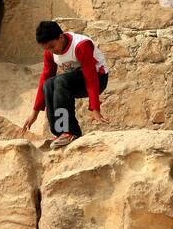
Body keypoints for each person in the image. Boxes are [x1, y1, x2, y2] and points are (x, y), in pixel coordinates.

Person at [22, 21, 109, 149]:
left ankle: (70, 131)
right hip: (75, 80)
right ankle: (60, 132)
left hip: (98, 78)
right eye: (46, 49)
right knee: (49, 84)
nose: (51, 51)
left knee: (59, 81)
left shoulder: (81, 45)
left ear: (61, 37)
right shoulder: (50, 52)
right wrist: (34, 113)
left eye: (52, 46)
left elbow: (91, 77)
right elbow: (45, 78)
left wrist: (95, 109)